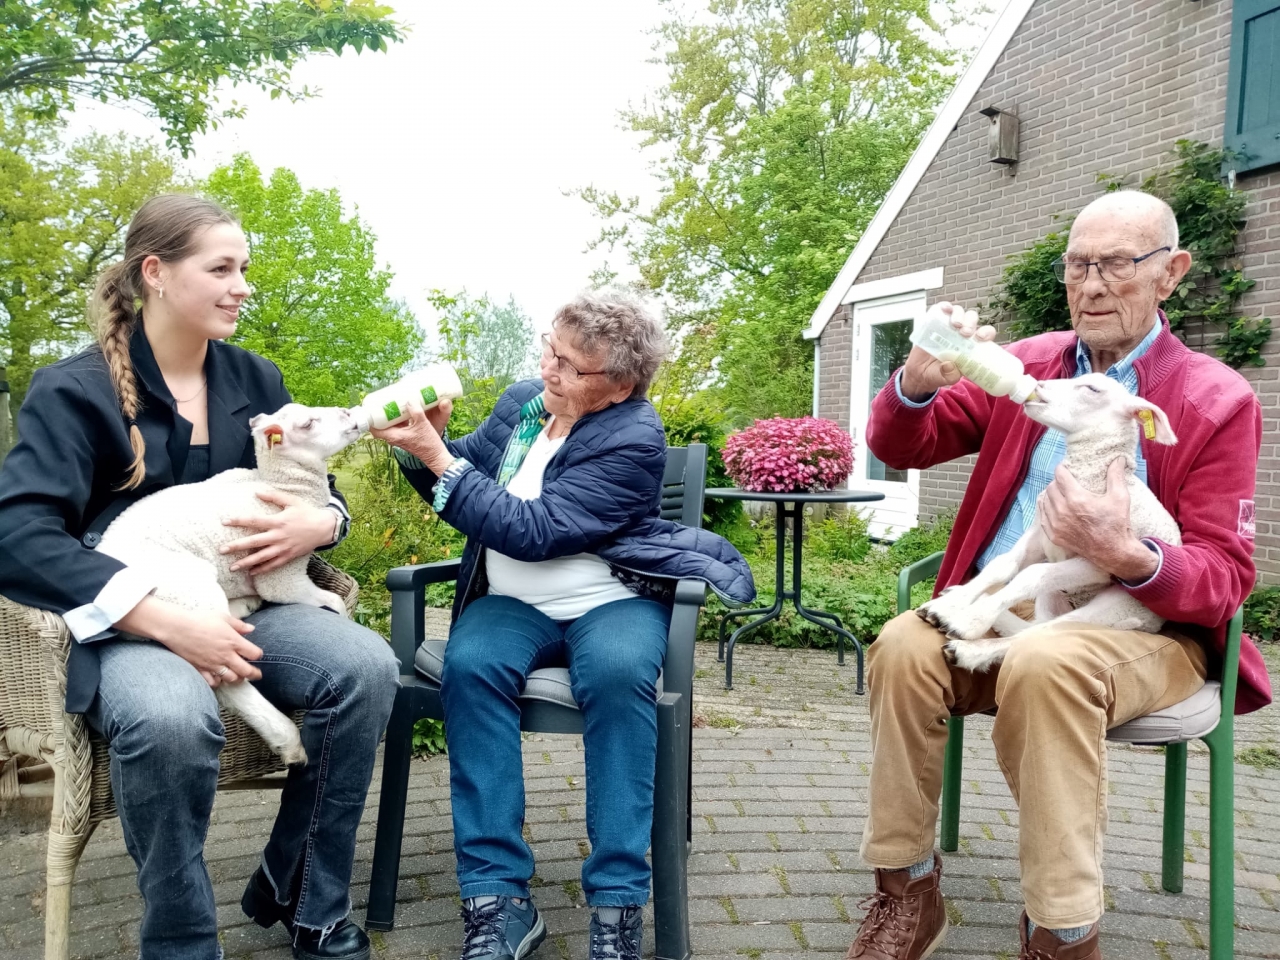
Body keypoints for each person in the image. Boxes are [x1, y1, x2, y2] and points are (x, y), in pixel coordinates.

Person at [847, 190, 1272, 960]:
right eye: (1078, 264)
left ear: (1169, 273)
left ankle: (1062, 931)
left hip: (1143, 632)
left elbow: (1224, 577)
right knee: (904, 646)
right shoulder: (1033, 370)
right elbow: (902, 444)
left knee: (1046, 666)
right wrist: (916, 381)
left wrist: (1126, 553)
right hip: (1005, 611)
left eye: (1116, 263)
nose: (1092, 284)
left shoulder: (1215, 398)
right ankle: (906, 890)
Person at [0, 194, 399, 960]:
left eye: (243, 268)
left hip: (249, 601)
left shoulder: (256, 375)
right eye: (221, 268)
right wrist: (156, 616)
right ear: (155, 273)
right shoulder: (71, 390)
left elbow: (309, 481)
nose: (242, 284)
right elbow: (16, 536)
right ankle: (181, 943)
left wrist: (328, 524)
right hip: (123, 624)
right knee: (172, 718)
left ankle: (301, 896)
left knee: (365, 668)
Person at [370, 292, 753, 960]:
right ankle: (497, 899)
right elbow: (460, 475)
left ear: (621, 385)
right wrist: (418, 443)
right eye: (549, 349)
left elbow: (534, 530)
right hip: (510, 604)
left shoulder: (634, 435)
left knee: (616, 672)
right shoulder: (525, 403)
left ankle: (616, 906)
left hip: (610, 601)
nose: (551, 369)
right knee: (471, 663)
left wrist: (440, 460)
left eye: (572, 367)